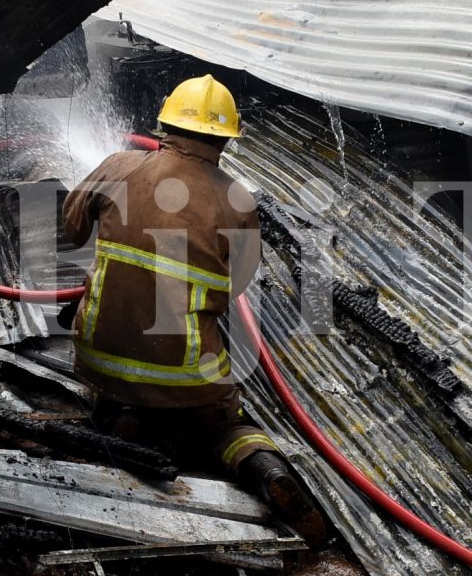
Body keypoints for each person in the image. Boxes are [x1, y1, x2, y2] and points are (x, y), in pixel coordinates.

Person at [60, 75, 330, 545]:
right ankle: (260, 465)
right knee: (223, 423)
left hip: (99, 357)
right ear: (227, 138)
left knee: (110, 395)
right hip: (185, 374)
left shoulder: (118, 166)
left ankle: (124, 419)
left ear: (164, 124)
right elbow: (233, 288)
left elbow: (71, 230)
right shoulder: (238, 201)